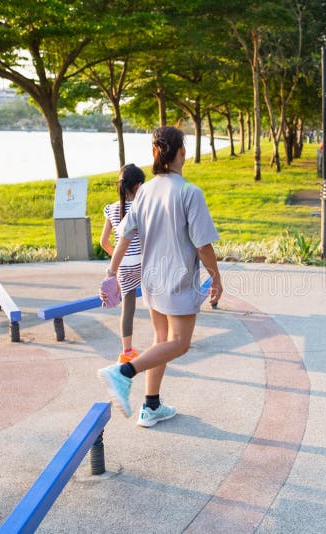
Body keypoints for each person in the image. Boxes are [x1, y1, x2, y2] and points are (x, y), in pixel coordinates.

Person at [98, 126, 223, 427]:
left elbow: (124, 237)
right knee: (179, 343)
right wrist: (216, 278)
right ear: (182, 152)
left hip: (151, 280)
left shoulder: (145, 192)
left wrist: (111, 273)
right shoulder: (189, 193)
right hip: (177, 280)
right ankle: (124, 372)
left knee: (161, 339)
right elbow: (203, 244)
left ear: (156, 153)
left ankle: (151, 405)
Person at [99, 163, 145, 364]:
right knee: (156, 299)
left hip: (123, 267)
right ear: (138, 186)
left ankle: (127, 352)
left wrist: (117, 261)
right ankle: (164, 340)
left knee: (128, 307)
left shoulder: (111, 209)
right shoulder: (142, 208)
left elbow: (104, 242)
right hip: (143, 263)